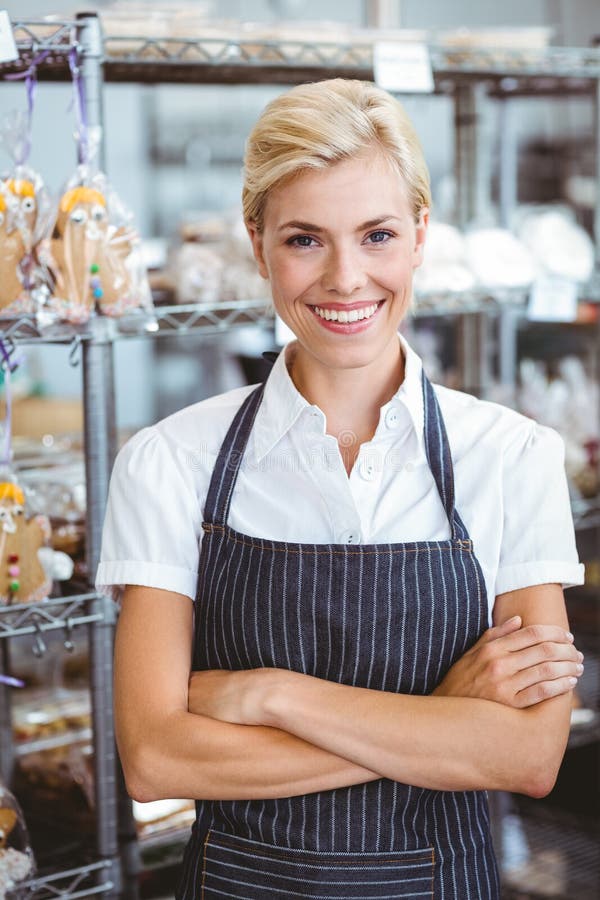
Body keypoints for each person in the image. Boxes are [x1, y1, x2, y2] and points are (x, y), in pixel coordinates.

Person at [97, 79, 585, 899]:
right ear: (257, 244)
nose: (346, 278)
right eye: (304, 240)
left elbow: (526, 757)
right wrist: (442, 718)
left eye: (378, 234)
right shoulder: (168, 461)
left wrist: (265, 694)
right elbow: (155, 760)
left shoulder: (512, 455)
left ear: (422, 235)